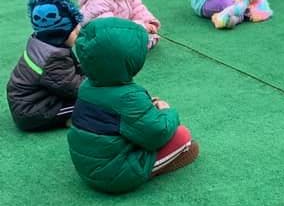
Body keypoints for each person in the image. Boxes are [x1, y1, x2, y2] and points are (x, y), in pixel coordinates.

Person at [68, 18, 199, 194]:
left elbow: (114, 116)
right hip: (113, 175)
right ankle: (157, 166)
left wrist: (146, 107)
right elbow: (157, 133)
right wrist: (168, 111)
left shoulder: (87, 85)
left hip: (87, 164)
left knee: (132, 128)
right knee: (182, 135)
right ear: (127, 60)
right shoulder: (128, 96)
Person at [6, 0, 84, 131]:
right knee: (91, 104)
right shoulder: (53, 58)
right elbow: (74, 88)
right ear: (61, 33)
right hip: (31, 112)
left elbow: (72, 71)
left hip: (33, 100)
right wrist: (98, 80)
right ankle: (72, 118)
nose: (78, 35)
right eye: (75, 32)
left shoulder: (45, 44)